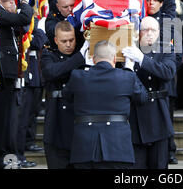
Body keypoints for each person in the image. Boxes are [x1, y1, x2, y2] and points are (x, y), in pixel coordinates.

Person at [62, 40, 149, 169]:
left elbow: (66, 96)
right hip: (118, 147)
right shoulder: (126, 77)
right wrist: (131, 70)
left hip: (85, 148)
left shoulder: (78, 76)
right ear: (114, 59)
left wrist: (87, 69)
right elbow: (142, 98)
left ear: (93, 59)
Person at [0, 0, 34, 168]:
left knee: (7, 119)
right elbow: (23, 19)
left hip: (8, 71)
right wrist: (24, 3)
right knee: (0, 119)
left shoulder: (1, 9)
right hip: (1, 70)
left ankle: (4, 158)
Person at [122, 16, 177, 169]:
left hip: (158, 112)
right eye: (145, 30)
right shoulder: (130, 50)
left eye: (153, 30)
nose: (149, 33)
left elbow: (168, 72)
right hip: (135, 113)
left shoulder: (166, 49)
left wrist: (142, 59)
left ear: (159, 32)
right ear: (139, 32)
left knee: (158, 164)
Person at [40, 21, 89, 169]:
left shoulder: (82, 56)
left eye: (71, 40)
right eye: (64, 41)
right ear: (55, 40)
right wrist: (79, 57)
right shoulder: (49, 55)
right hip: (56, 120)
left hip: (77, 118)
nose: (68, 44)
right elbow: (52, 72)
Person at [146, 0, 182, 164]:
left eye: (155, 0)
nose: (151, 3)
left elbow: (175, 51)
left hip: (162, 75)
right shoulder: (140, 19)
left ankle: (169, 150)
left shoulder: (167, 21)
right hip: (144, 77)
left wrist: (168, 69)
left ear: (161, 3)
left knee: (166, 115)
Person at [16, 12, 48, 168]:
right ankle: (18, 155)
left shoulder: (36, 27)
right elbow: (32, 42)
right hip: (24, 78)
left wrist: (37, 32)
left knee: (32, 114)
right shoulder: (20, 27)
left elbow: (41, 40)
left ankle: (29, 142)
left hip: (36, 77)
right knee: (21, 120)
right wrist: (34, 34)